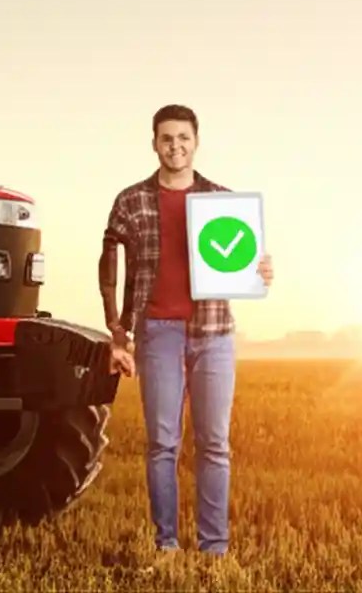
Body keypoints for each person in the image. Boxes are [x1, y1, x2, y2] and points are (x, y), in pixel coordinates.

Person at [98, 103, 274, 556]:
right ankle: (167, 545)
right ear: (154, 143)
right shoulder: (131, 200)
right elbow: (110, 260)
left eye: (183, 138)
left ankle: (214, 547)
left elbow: (242, 263)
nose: (174, 146)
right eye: (166, 138)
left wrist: (260, 272)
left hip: (214, 332)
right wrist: (117, 331)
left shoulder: (223, 200)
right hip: (158, 332)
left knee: (214, 443)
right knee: (163, 444)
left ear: (196, 142)